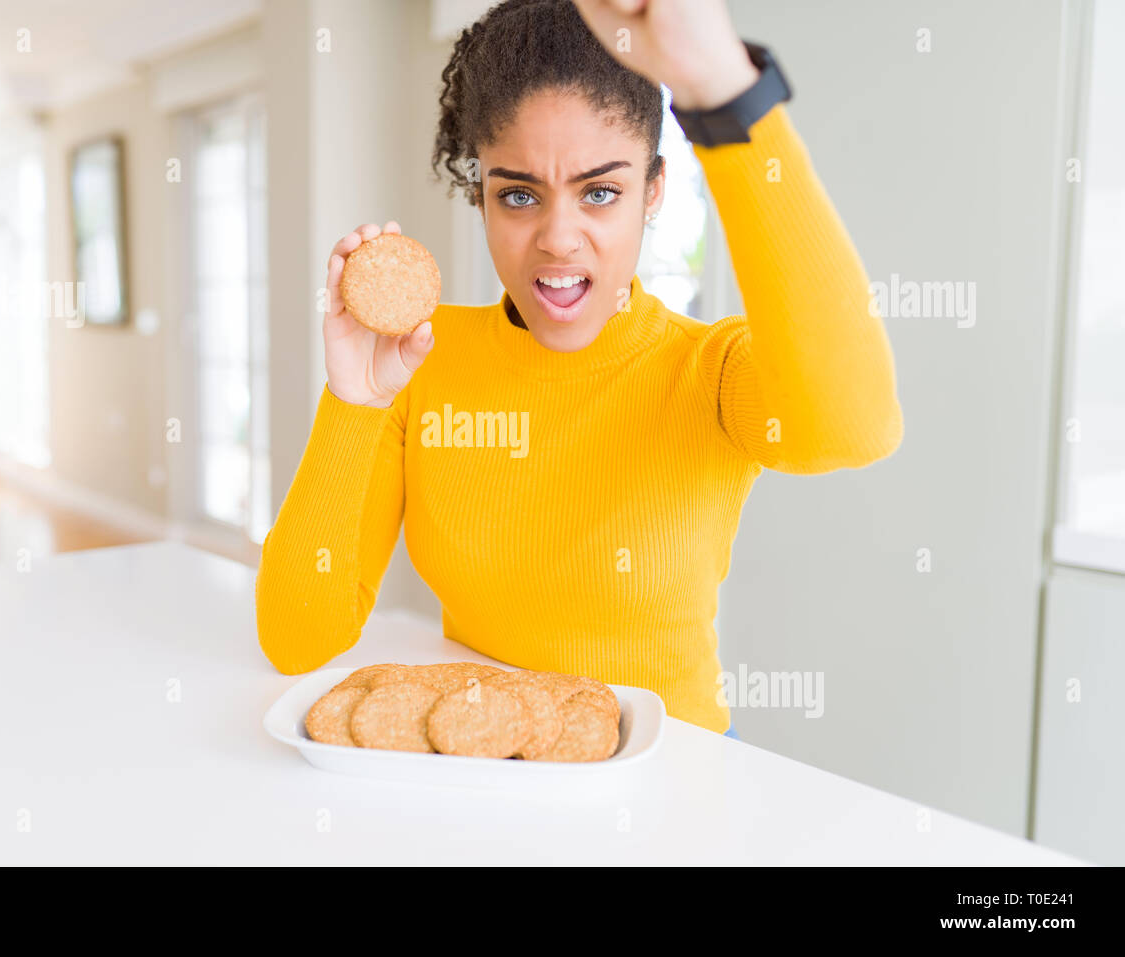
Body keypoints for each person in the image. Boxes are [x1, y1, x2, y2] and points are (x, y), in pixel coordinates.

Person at [256, 0, 903, 737]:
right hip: (479, 769)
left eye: (601, 191)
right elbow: (296, 638)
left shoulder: (709, 371)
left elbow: (855, 428)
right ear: (480, 195)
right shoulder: (418, 361)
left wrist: (728, 96)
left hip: (666, 794)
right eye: (519, 194)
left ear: (653, 191)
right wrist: (353, 401)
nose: (559, 239)